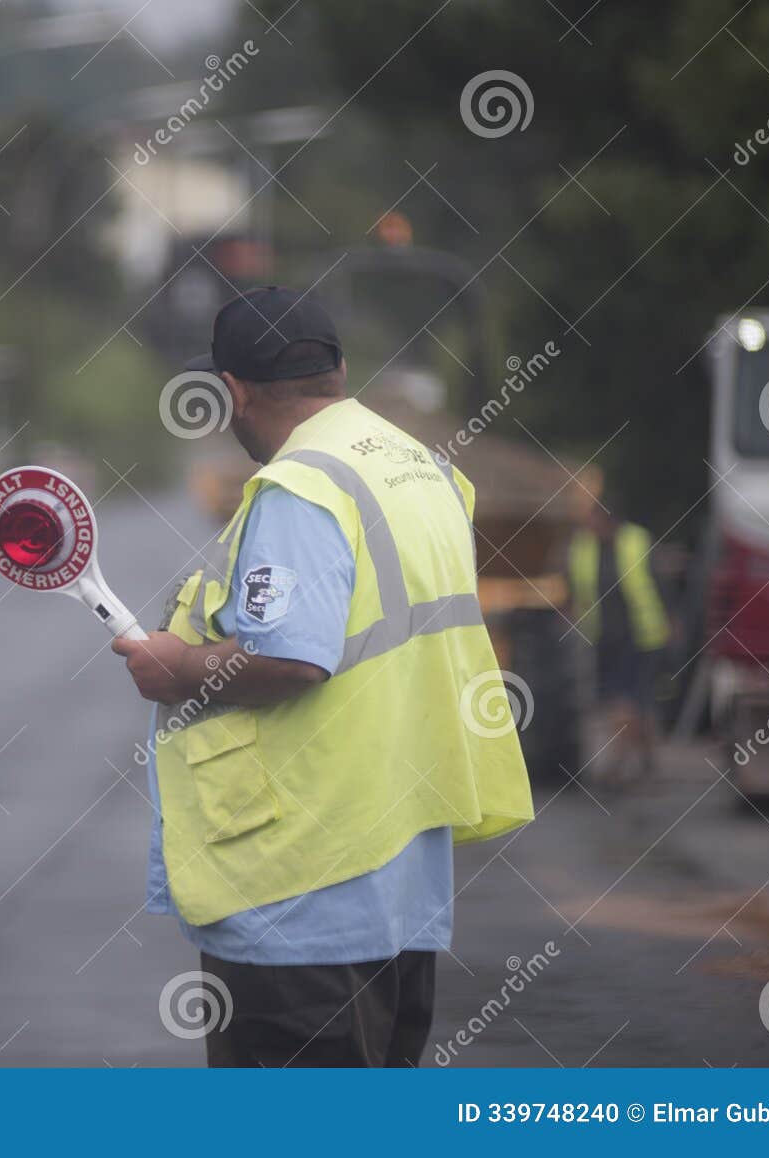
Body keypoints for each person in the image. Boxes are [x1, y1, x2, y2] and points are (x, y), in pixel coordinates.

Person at [112, 287, 534, 1067]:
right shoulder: (417, 466)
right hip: (397, 885)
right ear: (337, 370)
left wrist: (179, 671)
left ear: (232, 392)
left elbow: (291, 656)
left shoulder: (301, 490)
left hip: (301, 898)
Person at [567, 497, 670, 781]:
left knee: (629, 702)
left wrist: (671, 620)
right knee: (633, 703)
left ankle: (619, 763)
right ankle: (646, 764)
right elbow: (573, 588)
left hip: (643, 636)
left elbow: (661, 583)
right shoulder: (583, 547)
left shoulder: (636, 541)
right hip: (604, 637)